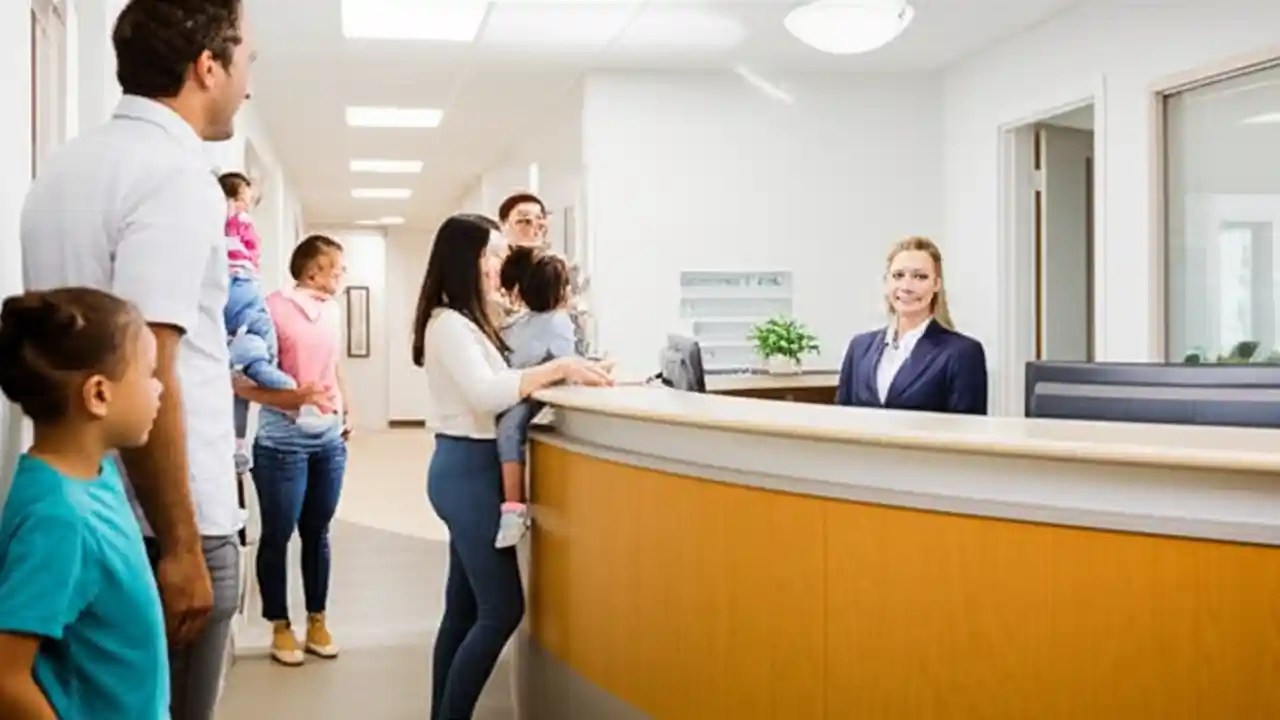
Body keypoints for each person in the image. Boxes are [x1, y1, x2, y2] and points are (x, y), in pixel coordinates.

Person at [19, 2, 313, 717]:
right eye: (246, 63)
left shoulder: (67, 167)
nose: (248, 86)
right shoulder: (175, 177)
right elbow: (153, 364)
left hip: (90, 495)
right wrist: (182, 544)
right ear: (206, 65)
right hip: (163, 520)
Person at [412, 213, 612, 719]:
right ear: (472, 261)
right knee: (502, 610)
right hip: (468, 471)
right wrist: (560, 366)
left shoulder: (469, 320)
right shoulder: (450, 325)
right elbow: (486, 392)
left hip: (466, 467)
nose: (504, 263)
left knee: (462, 611)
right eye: (496, 254)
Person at [0, 289, 166, 719]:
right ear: (99, 395)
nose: (159, 387)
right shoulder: (59, 519)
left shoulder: (98, 475)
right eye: (149, 373)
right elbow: (6, 677)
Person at [247, 235, 351, 667]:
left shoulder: (331, 311)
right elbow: (242, 381)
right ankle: (279, 625)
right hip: (282, 443)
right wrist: (293, 400)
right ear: (313, 271)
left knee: (318, 532)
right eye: (337, 268)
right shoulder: (269, 309)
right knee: (277, 535)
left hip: (328, 439)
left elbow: (333, 367)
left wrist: (348, 408)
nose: (342, 276)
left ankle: (317, 619)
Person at [219, 171, 327, 476]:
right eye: (247, 195)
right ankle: (299, 401)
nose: (250, 201)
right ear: (238, 195)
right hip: (243, 288)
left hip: (229, 299)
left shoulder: (218, 219)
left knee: (243, 376)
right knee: (265, 361)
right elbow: (251, 247)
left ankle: (238, 445)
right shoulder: (236, 216)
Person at [835, 236, 988, 414]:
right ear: (886, 282)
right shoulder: (859, 347)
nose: (907, 286)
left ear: (936, 284)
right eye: (898, 276)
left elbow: (967, 432)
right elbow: (843, 418)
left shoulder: (962, 352)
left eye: (920, 277)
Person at [494, 248, 580, 548]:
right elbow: (568, 365)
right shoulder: (558, 322)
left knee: (508, 431)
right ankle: (514, 510)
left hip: (516, 388)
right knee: (510, 432)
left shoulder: (519, 321)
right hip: (522, 392)